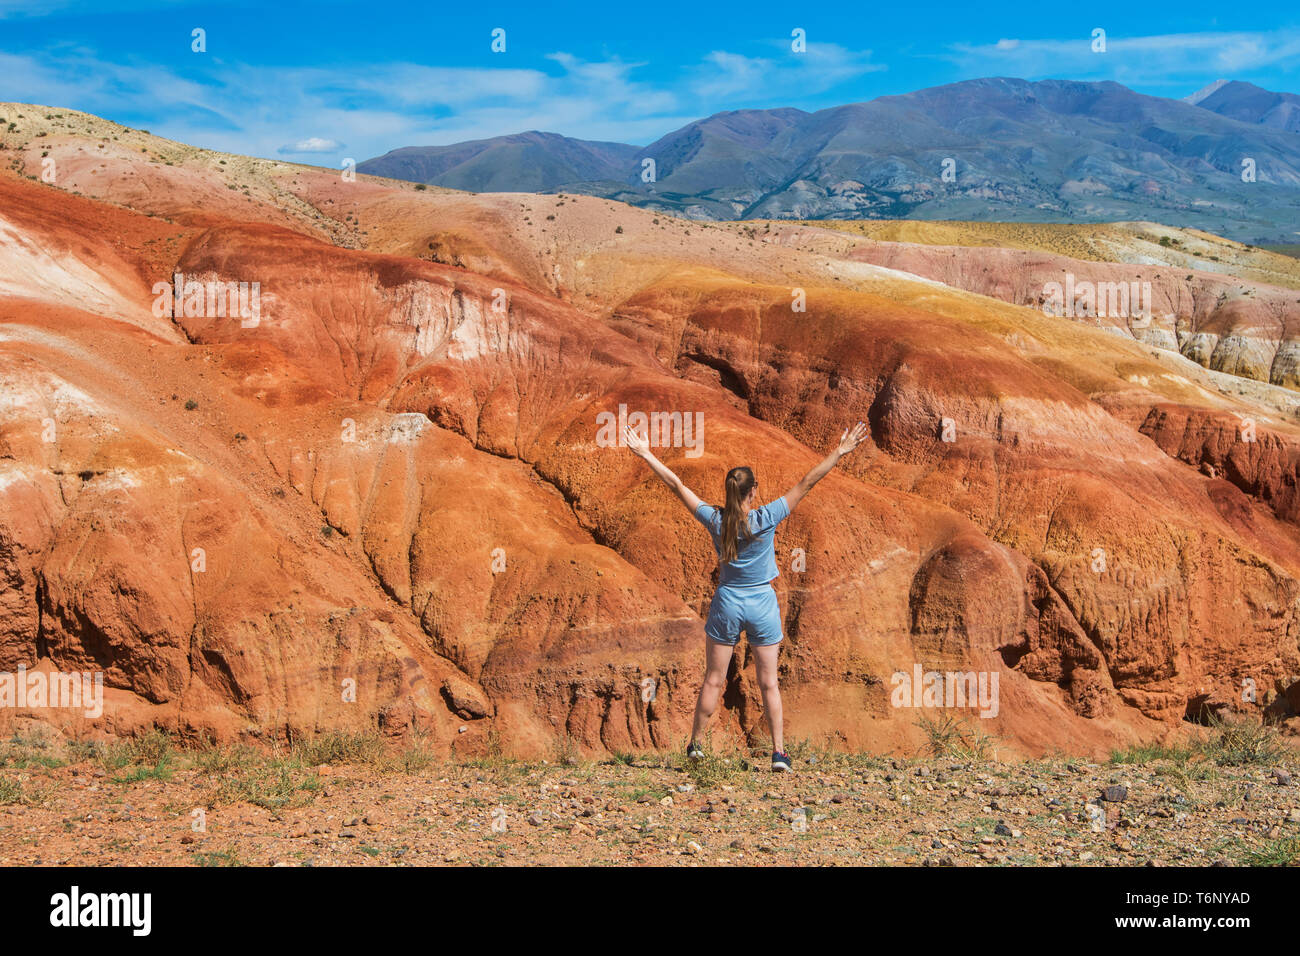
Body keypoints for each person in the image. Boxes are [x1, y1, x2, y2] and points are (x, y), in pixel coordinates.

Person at [623, 421, 869, 772]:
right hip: (762, 604)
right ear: (753, 491)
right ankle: (779, 754)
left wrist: (646, 454)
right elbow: (807, 482)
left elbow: (676, 485)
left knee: (713, 678)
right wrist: (839, 452)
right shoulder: (766, 517)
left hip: (727, 603)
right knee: (769, 682)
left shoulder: (716, 520)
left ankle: (695, 746)